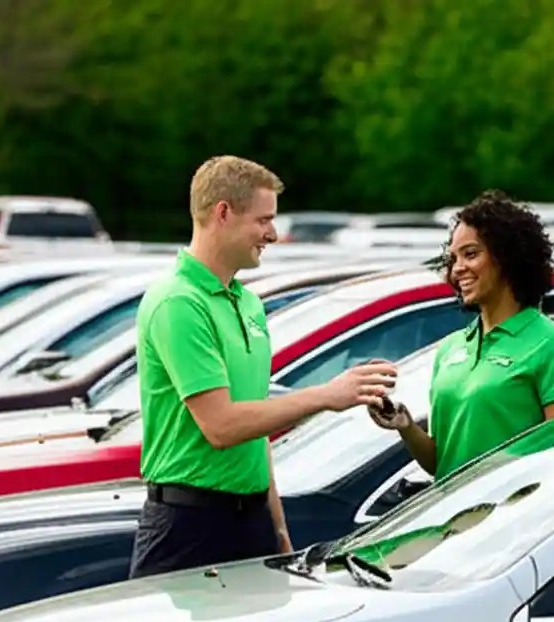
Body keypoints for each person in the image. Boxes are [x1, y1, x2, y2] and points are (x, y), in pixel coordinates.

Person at [129, 155, 397, 579]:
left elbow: (254, 428)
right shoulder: (179, 302)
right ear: (223, 213)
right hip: (189, 526)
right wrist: (328, 396)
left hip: (250, 520)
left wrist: (277, 528)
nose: (272, 234)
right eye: (263, 220)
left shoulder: (247, 301)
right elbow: (222, 427)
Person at [368, 190, 554, 480]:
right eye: (453, 258)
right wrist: (405, 425)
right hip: (451, 519)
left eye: (470, 254)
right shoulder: (451, 348)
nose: (457, 269)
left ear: (507, 257)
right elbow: (441, 462)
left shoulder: (553, 344)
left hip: (514, 519)